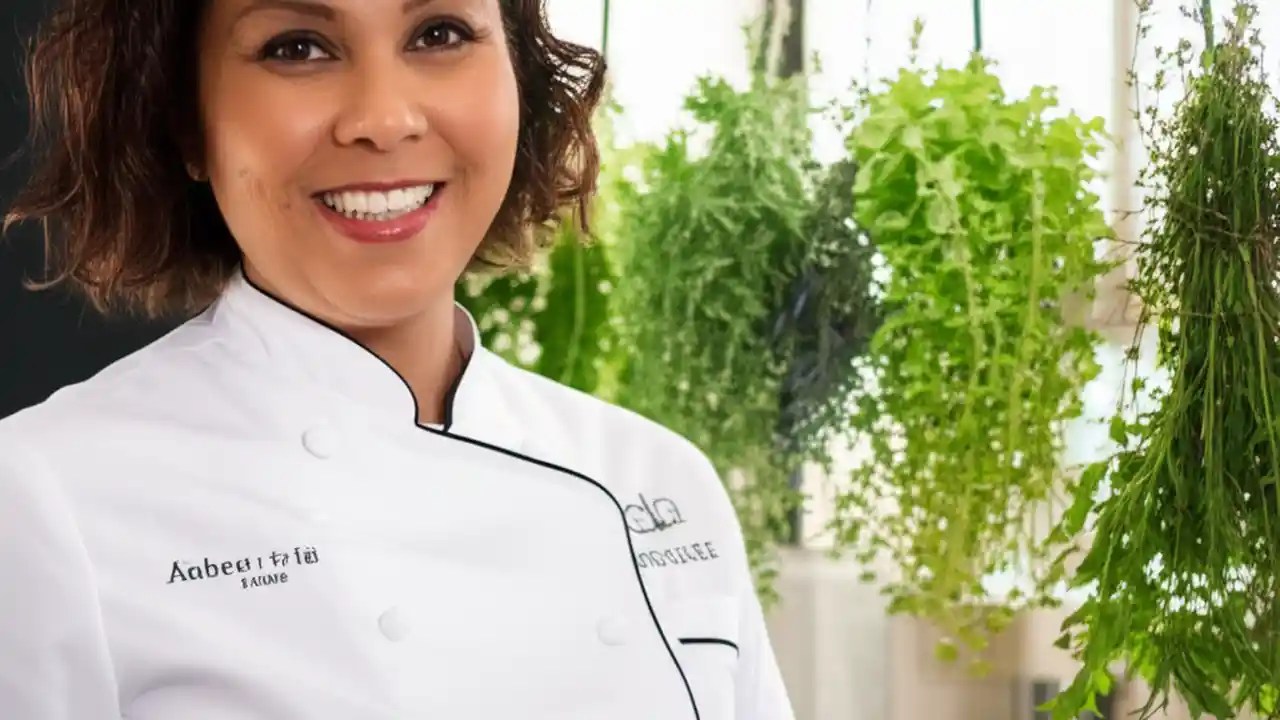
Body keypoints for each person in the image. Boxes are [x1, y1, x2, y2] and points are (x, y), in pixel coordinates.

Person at [0, 1, 796, 719]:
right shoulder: (45, 497)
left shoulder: (655, 481)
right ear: (185, 122)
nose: (383, 119)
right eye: (298, 47)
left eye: (440, 34)